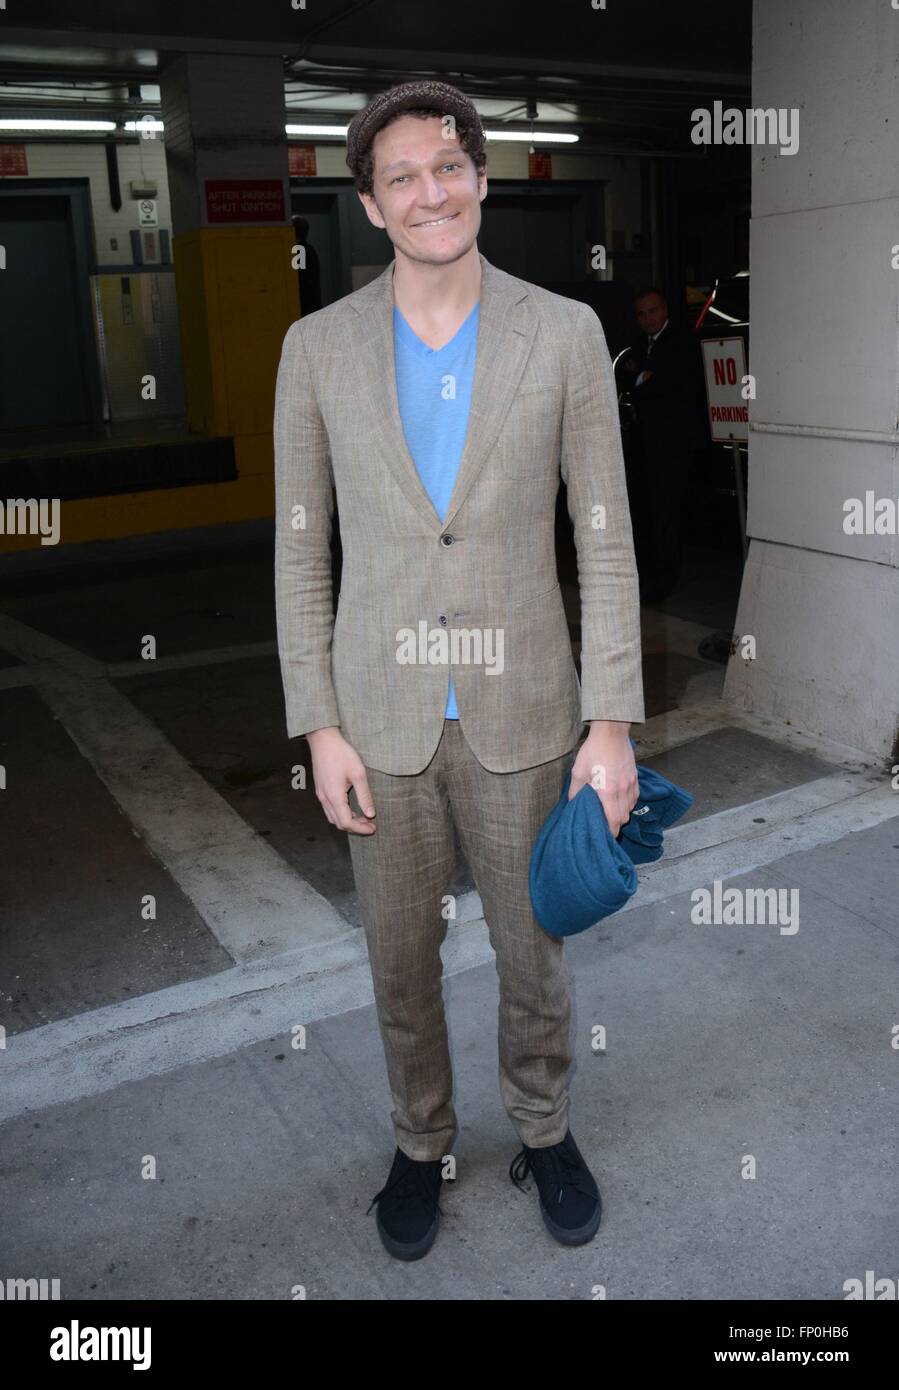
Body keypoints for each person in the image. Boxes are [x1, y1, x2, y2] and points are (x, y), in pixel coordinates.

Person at [273, 79, 645, 1261]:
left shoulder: (565, 332)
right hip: (379, 716)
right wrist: (317, 724)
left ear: (480, 178)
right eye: (400, 177)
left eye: (448, 165)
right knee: (399, 960)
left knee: (534, 953)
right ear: (371, 206)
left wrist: (612, 719)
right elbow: (298, 550)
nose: (428, 190)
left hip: (526, 710)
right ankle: (419, 1141)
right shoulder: (315, 348)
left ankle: (542, 1127)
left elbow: (603, 531)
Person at [617, 287, 697, 602]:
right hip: (643, 445)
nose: (648, 318)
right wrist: (642, 380)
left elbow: (668, 387)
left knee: (666, 514)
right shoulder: (637, 346)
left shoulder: (680, 343)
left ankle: (663, 580)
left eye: (652, 311)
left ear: (664, 310)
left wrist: (644, 382)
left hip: (670, 446)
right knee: (645, 512)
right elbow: (625, 380)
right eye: (641, 313)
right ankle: (647, 575)